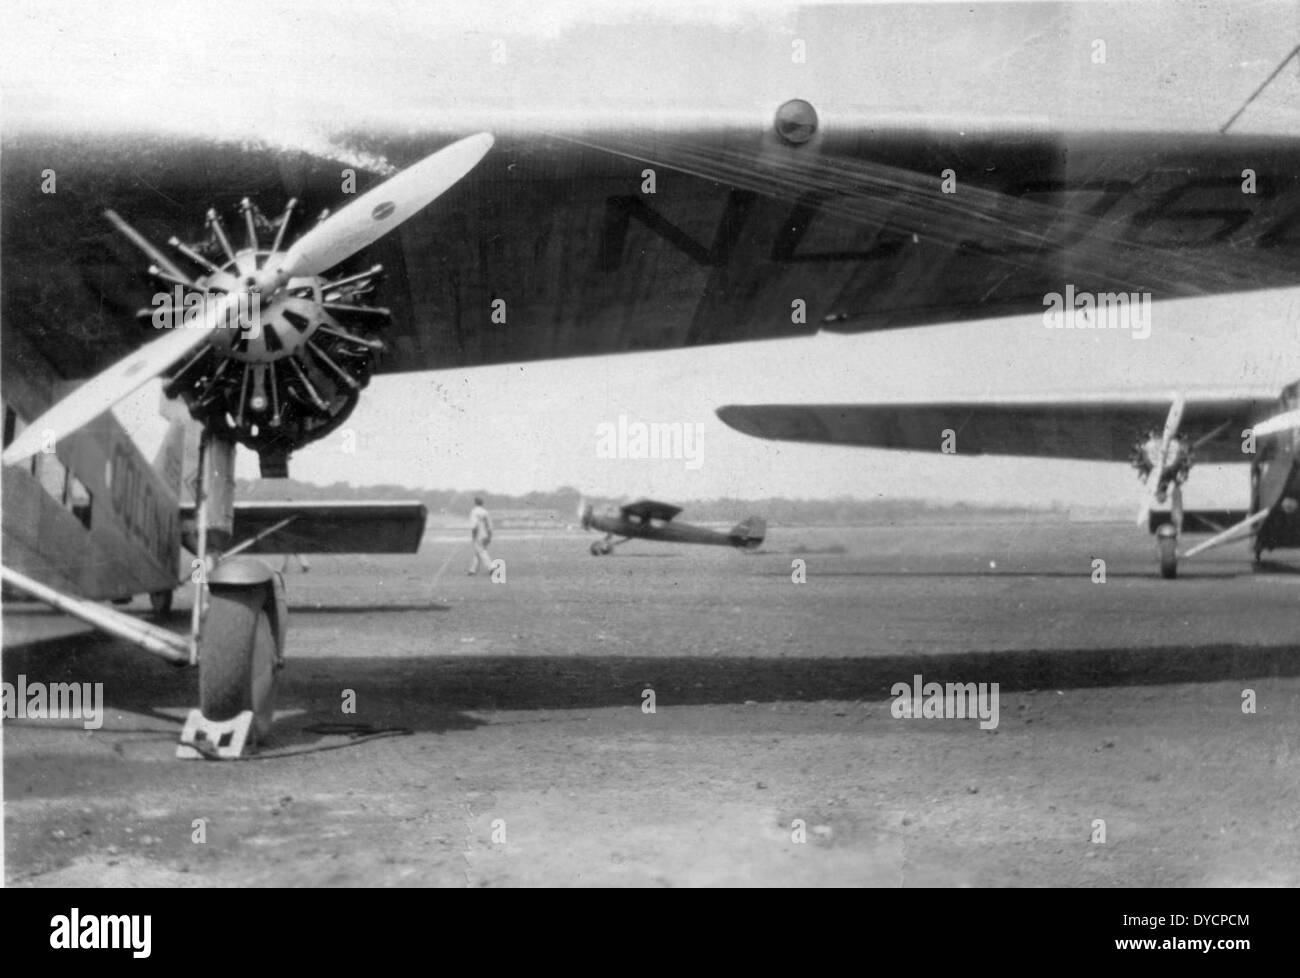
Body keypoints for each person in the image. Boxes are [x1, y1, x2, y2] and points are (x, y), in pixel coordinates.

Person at [468, 496, 493, 576]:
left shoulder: (474, 512)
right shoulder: (485, 512)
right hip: (485, 534)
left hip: (478, 535)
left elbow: (474, 525)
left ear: (475, 503)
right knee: (478, 552)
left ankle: (491, 568)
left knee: (481, 552)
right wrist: (489, 536)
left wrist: (473, 536)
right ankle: (472, 570)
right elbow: (489, 525)